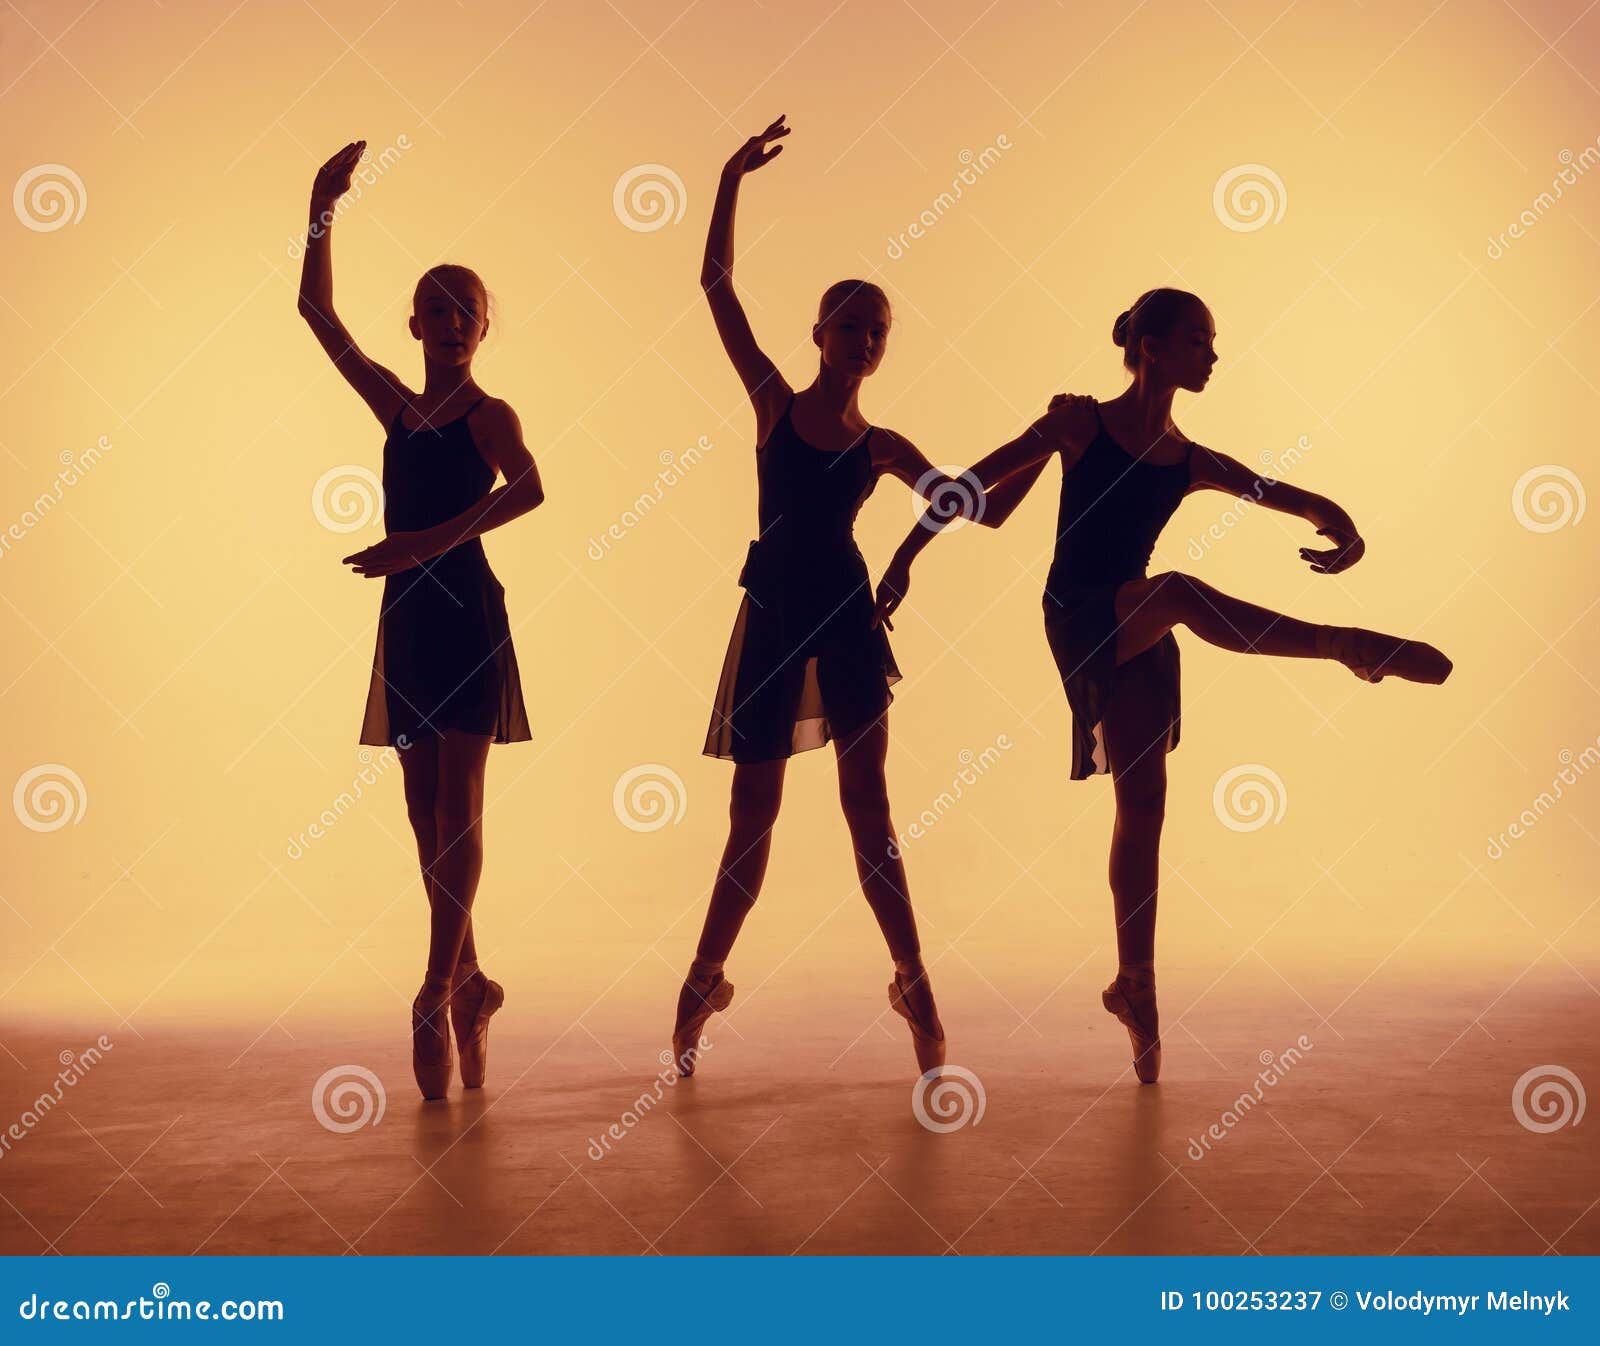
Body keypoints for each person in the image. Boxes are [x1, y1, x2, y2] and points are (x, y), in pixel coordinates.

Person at [873, 286, 1452, 1084]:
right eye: (1197, 341)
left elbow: (1288, 496)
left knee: (1143, 806)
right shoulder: (1081, 422)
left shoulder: (1191, 460)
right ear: (1149, 347)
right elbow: (971, 484)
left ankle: (1134, 985)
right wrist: (903, 560)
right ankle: (1340, 644)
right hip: (1078, 612)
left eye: (1211, 344)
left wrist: (1342, 522)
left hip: (1138, 623)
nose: (1212, 355)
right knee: (1179, 591)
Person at [677, 115, 1032, 1080]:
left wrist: (1046, 436)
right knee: (754, 819)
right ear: (821, 334)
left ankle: (913, 984)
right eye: (851, 326)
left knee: (869, 814)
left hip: (843, 620)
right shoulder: (772, 403)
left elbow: (977, 507)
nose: (865, 341)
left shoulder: (880, 446)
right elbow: (715, 287)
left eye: (879, 332)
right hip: (772, 620)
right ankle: (703, 981)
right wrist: (727, 175)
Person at [297, 140, 545, 1100]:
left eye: (465, 310)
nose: (449, 321)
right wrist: (322, 206)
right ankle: (476, 982)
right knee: (419, 811)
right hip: (407, 619)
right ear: (414, 324)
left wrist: (422, 544)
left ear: (484, 327)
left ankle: (436, 988)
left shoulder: (490, 414)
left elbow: (529, 490)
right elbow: (317, 315)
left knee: (459, 806)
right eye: (434, 308)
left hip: (465, 611)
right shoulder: (397, 409)